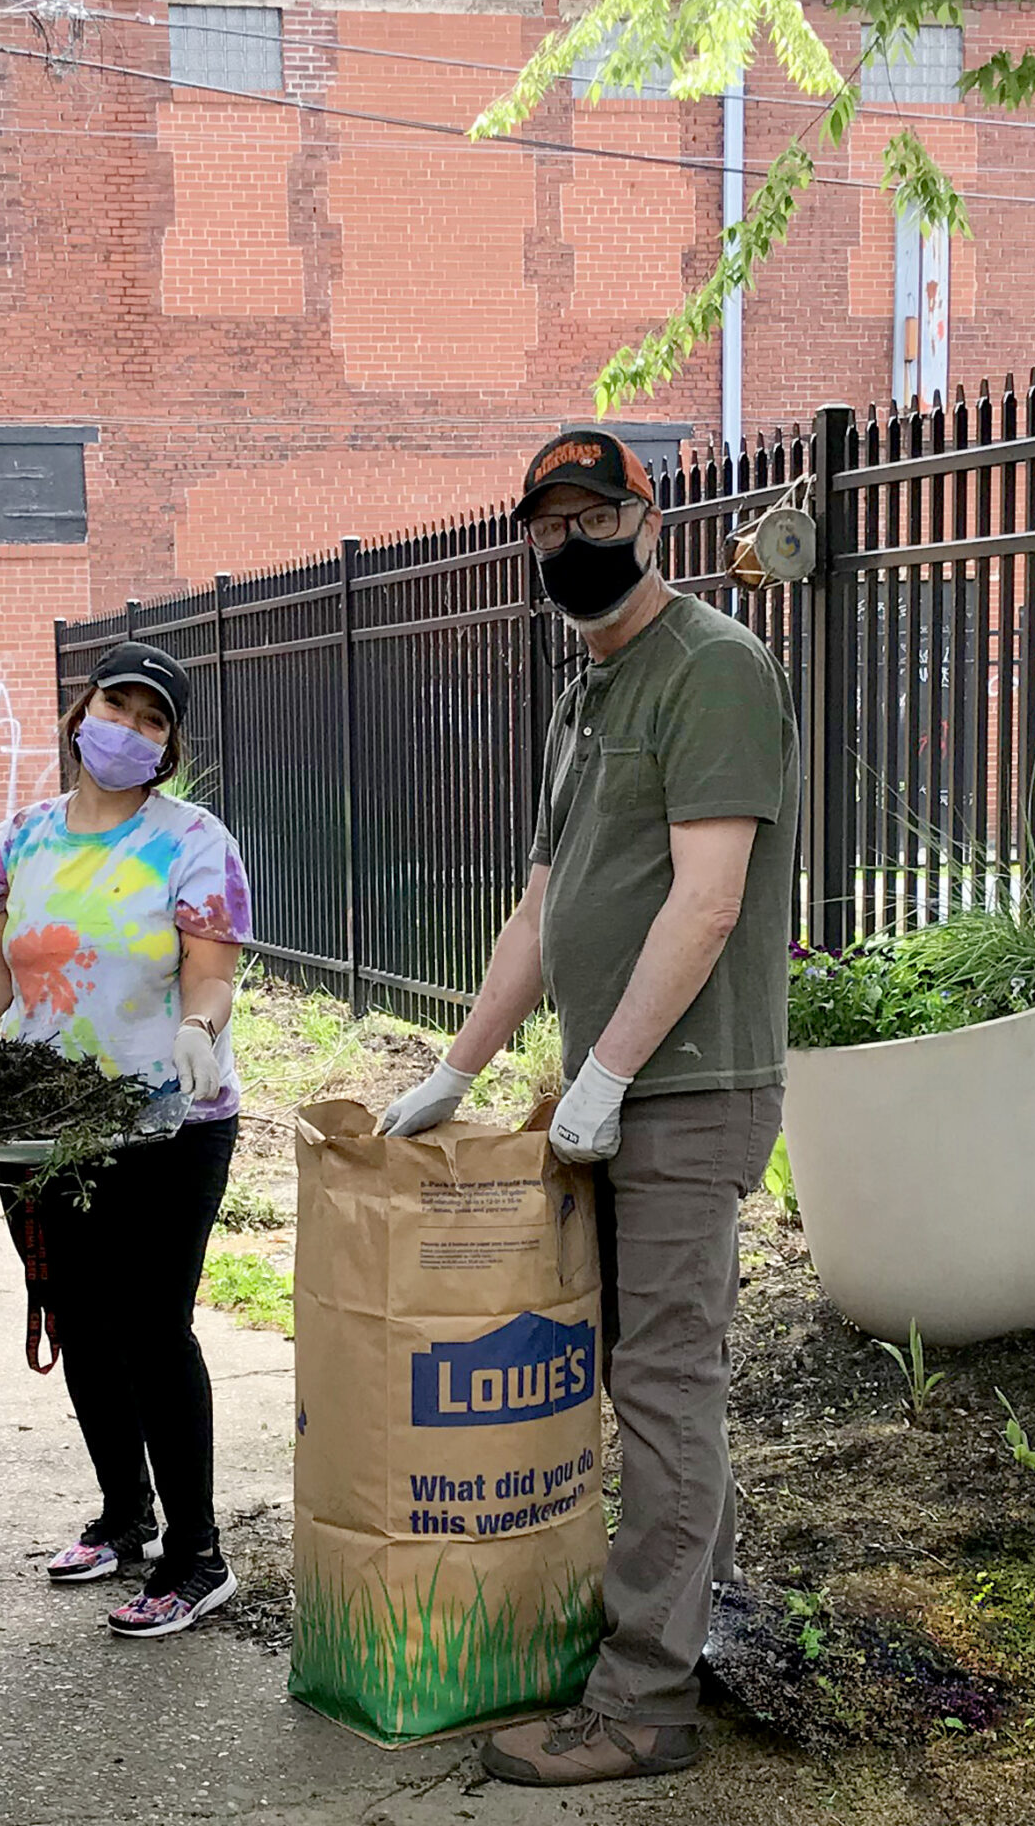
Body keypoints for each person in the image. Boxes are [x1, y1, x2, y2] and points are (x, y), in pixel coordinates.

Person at [378, 429, 800, 1787]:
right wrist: (459, 1070)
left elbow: (711, 897)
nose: (570, 545)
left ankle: (644, 1703)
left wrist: (610, 1070)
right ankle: (705, 1631)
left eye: (592, 516)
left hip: (687, 1090)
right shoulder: (587, 690)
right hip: (618, 1095)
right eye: (547, 527)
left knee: (669, 1386)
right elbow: (542, 909)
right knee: (643, 1381)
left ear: (648, 514)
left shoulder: (714, 671)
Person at [0, 641, 252, 1640]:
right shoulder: (22, 838)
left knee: (154, 1328)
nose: (131, 730)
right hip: (36, 1123)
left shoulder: (195, 841)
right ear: (81, 713)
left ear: (169, 744)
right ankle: (124, 1518)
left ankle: (198, 1558)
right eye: (119, 706)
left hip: (167, 1120)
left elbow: (210, 968)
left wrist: (201, 1027)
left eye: (153, 720)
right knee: (79, 1320)